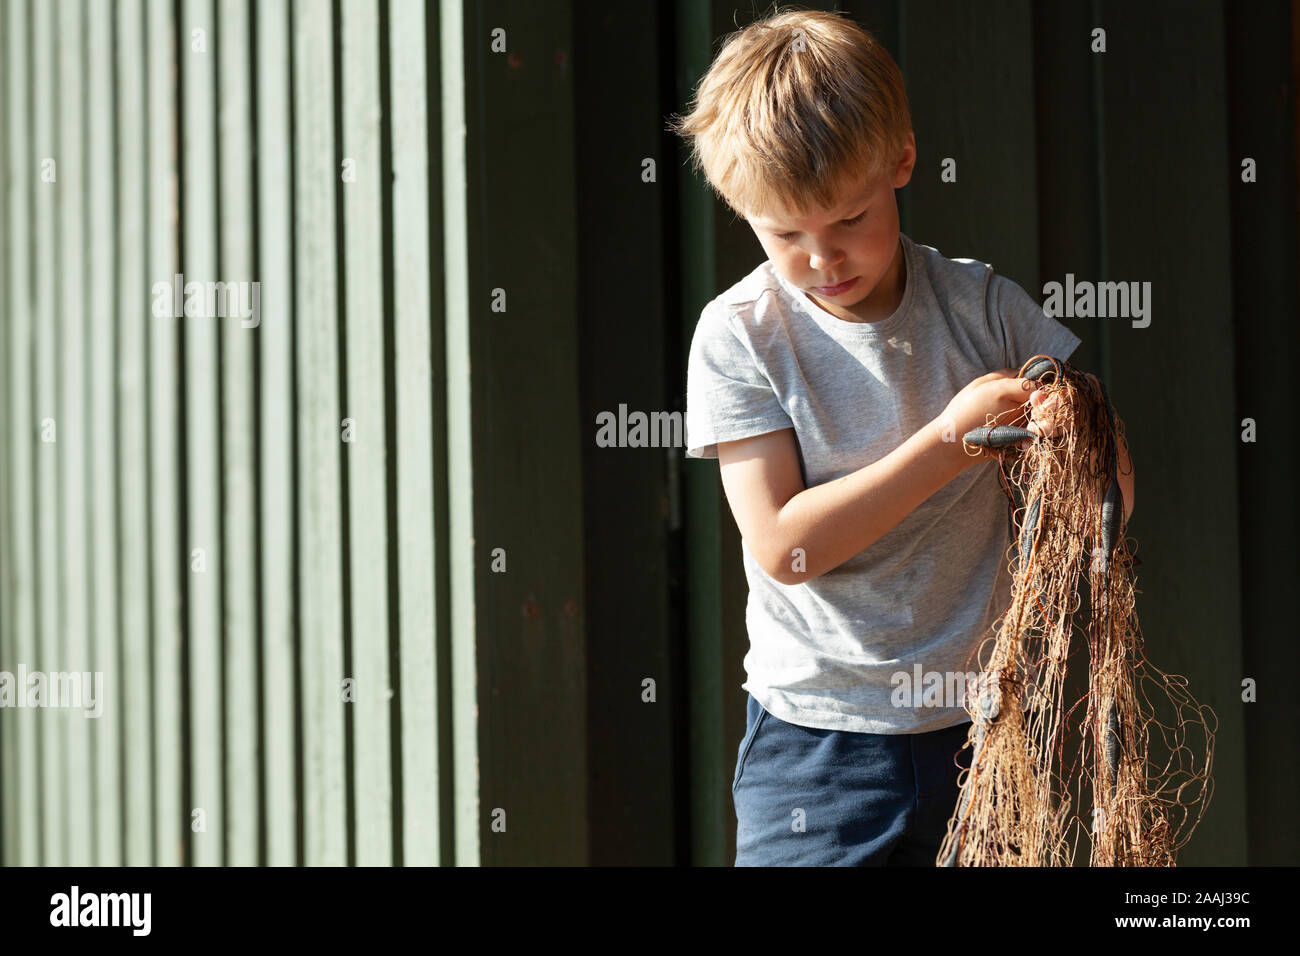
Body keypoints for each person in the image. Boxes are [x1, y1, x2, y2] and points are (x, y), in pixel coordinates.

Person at [668, 7, 1135, 865]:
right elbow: (782, 546)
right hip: (821, 748)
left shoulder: (982, 307)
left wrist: (1078, 438)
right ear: (743, 212)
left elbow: (1108, 496)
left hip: (984, 731)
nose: (822, 257)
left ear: (903, 162)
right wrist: (950, 442)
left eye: (849, 218)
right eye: (785, 234)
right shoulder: (740, 336)